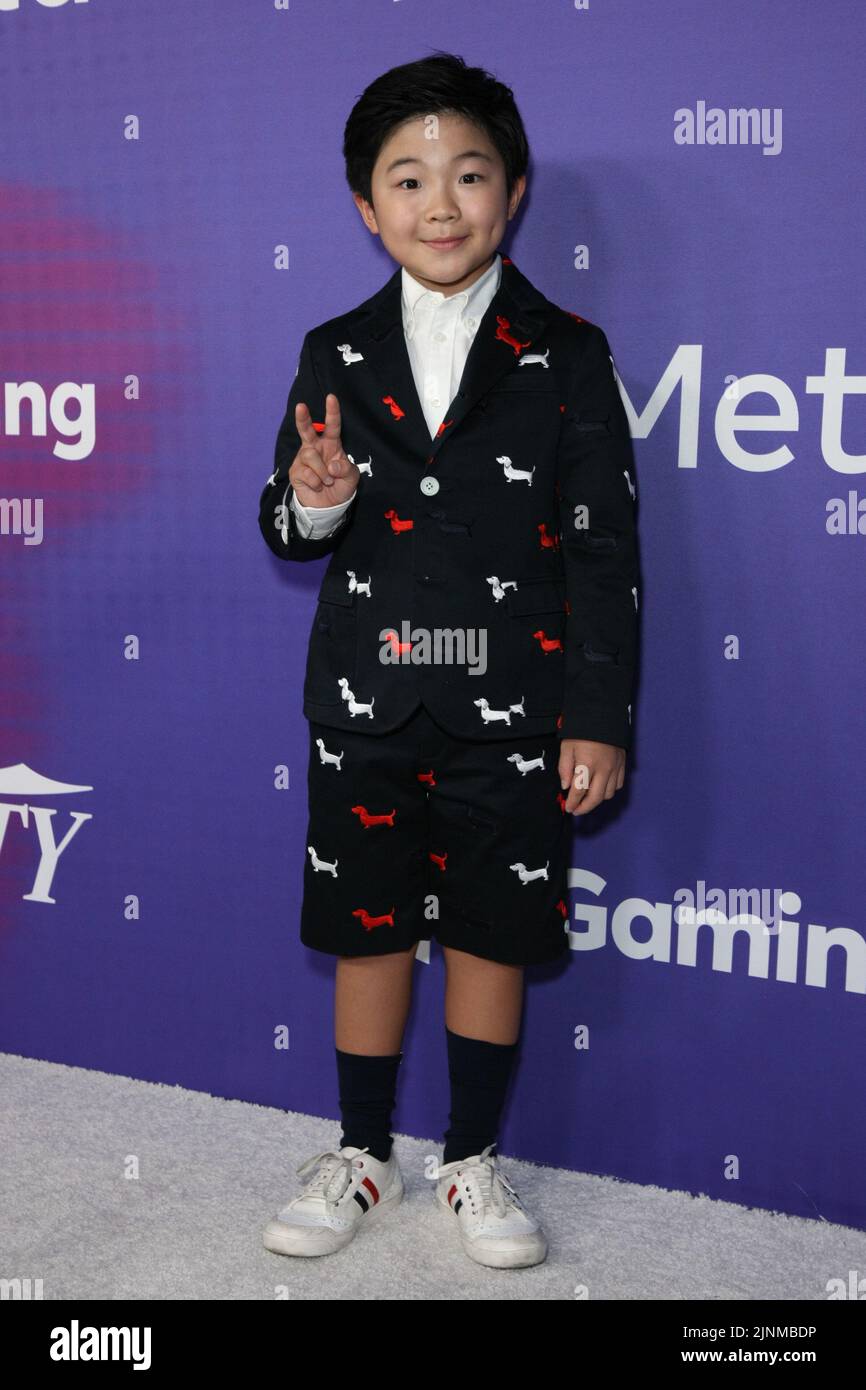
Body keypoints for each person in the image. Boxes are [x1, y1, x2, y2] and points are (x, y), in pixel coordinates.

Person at [258, 52, 639, 1271]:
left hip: (512, 707)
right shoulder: (334, 349)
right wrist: (311, 499)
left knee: (489, 931)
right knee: (366, 926)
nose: (440, 203)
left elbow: (602, 549)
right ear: (366, 207)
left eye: (466, 174)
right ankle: (362, 1151)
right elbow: (281, 523)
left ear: (512, 190)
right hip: (367, 704)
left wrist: (595, 714)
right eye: (407, 179)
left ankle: (470, 1157)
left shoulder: (566, 351)